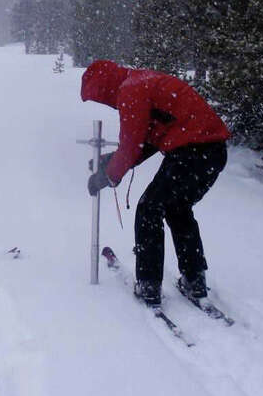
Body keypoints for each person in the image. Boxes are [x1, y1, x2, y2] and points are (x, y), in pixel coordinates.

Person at [81, 59, 230, 306]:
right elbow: (146, 141)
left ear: (105, 86)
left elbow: (131, 146)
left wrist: (108, 176)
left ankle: (149, 285)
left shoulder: (131, 89)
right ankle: (194, 280)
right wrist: (112, 162)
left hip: (190, 153)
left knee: (149, 208)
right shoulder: (143, 81)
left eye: (99, 96)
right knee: (177, 209)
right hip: (212, 153)